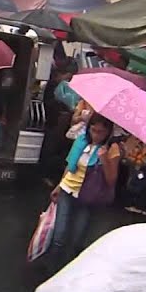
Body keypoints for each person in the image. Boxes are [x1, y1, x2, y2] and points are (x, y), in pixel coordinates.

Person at [45, 114, 121, 267]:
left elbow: (111, 180)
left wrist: (105, 159)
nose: (96, 135)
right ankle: (51, 269)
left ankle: (71, 269)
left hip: (89, 197)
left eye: (101, 132)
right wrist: (59, 186)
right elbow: (70, 165)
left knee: (78, 238)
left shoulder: (112, 150)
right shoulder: (81, 142)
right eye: (93, 130)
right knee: (59, 234)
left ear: (108, 132)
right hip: (68, 189)